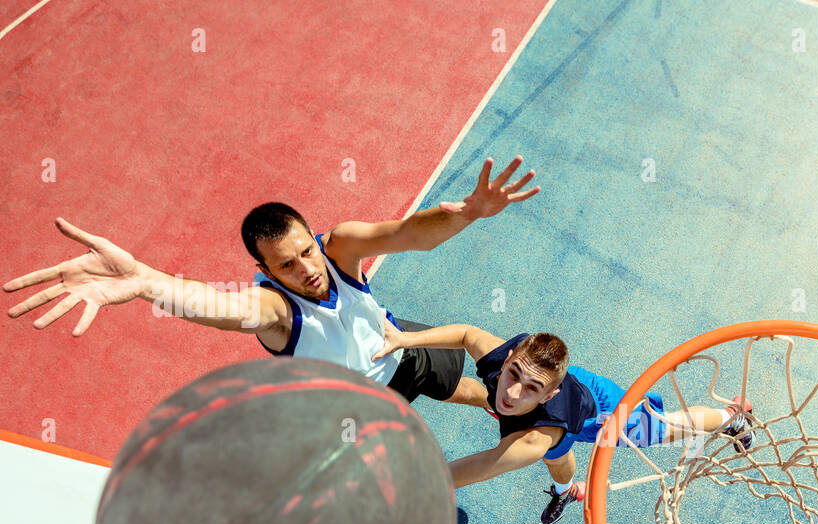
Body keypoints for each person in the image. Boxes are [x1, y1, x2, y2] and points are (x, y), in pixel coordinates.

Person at [3, 156, 539, 414]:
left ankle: (492, 403)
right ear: (264, 270)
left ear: (314, 234)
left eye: (306, 250)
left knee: (453, 384)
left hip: (397, 347)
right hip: (356, 405)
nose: (306, 267)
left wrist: (467, 213)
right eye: (286, 265)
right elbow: (216, 305)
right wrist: (145, 281)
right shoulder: (275, 311)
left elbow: (408, 235)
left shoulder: (341, 247)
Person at [369, 322, 754, 524]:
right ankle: (568, 490)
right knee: (494, 401)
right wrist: (405, 339)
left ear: (546, 395)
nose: (514, 393)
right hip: (562, 389)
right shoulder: (511, 363)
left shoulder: (538, 435)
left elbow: (485, 464)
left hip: (602, 412)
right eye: (513, 375)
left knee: (660, 431)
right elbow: (467, 333)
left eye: (530, 388)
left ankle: (730, 417)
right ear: (506, 362)